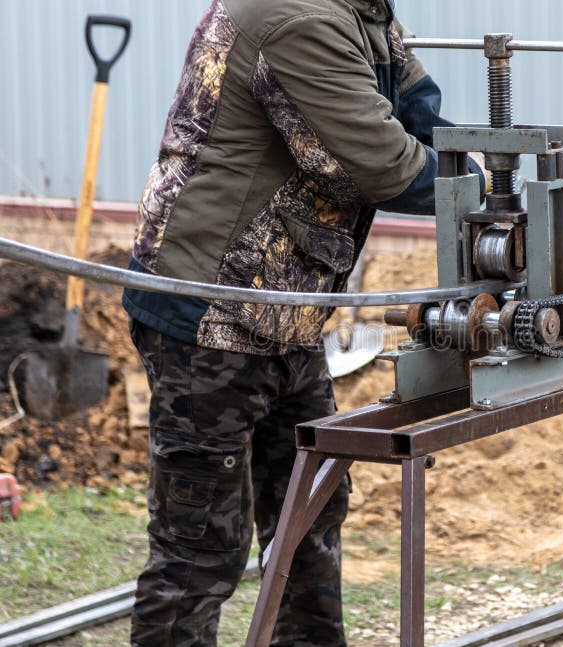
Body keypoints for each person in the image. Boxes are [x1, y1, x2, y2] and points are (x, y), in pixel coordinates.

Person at [123, 0, 486, 644]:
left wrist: (477, 158)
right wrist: (478, 190)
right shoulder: (297, 18)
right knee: (201, 544)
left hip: (283, 309)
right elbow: (379, 163)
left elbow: (415, 106)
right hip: (211, 311)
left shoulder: (359, 10)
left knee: (311, 519)